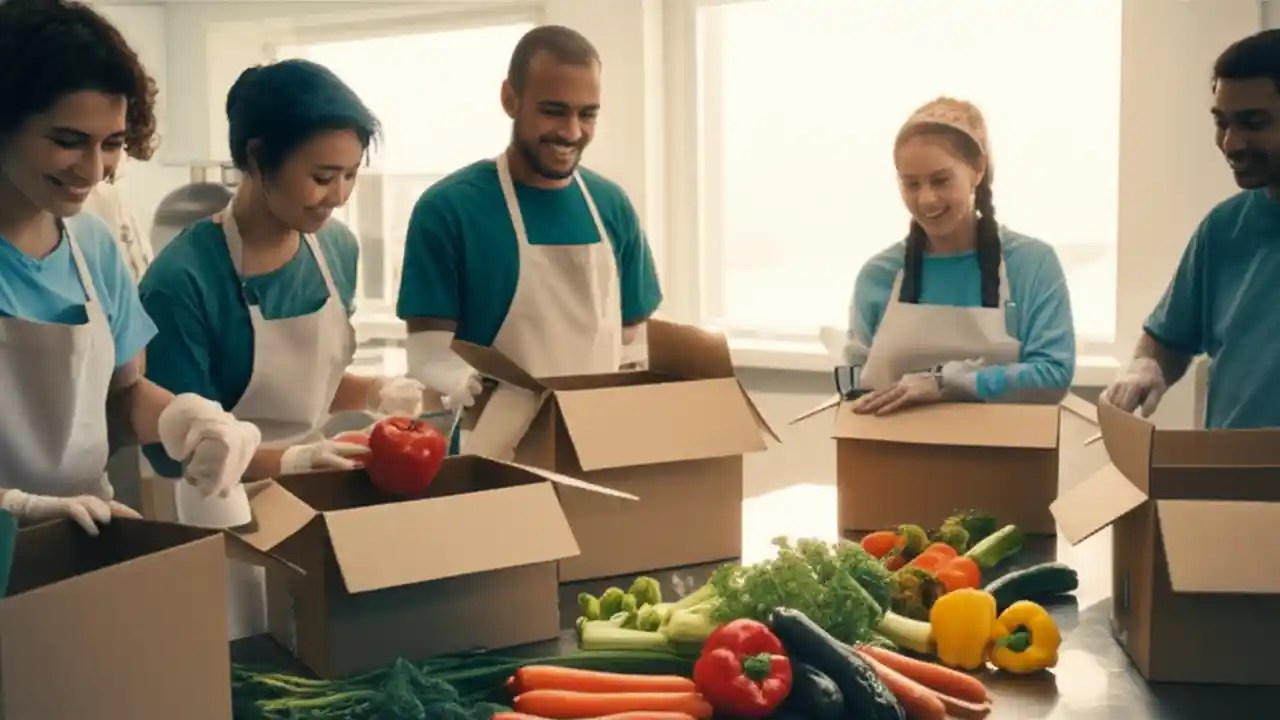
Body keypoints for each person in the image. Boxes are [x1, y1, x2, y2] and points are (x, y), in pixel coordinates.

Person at [0, 0, 261, 537]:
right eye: (68, 141)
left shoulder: (91, 245)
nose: (93, 170)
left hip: (87, 541)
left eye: (112, 144)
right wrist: (13, 506)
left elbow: (121, 397)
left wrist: (186, 420)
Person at [139, 58, 425, 485]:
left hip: (311, 490)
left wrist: (373, 391)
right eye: (323, 176)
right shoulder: (182, 281)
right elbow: (175, 451)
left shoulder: (336, 250)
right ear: (257, 157)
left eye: (351, 175)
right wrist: (292, 462)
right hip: (218, 509)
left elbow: (307, 384)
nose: (340, 196)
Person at [396, 24, 663, 416]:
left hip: (595, 440)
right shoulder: (449, 209)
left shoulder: (611, 205)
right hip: (488, 452)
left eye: (587, 114)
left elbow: (632, 340)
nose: (572, 132)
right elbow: (428, 354)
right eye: (553, 111)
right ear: (510, 99)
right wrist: (461, 383)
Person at [846, 97, 1076, 416]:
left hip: (1004, 458)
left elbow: (1053, 375)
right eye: (910, 184)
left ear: (977, 169)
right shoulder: (878, 275)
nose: (926, 200)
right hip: (893, 460)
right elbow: (855, 382)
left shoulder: (1032, 264)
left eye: (941, 180)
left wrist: (943, 383)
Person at [1104, 30, 1280, 429]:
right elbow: (1170, 337)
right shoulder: (1223, 229)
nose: (1231, 144)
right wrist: (1146, 366)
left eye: (1254, 123)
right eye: (1222, 123)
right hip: (1231, 483)